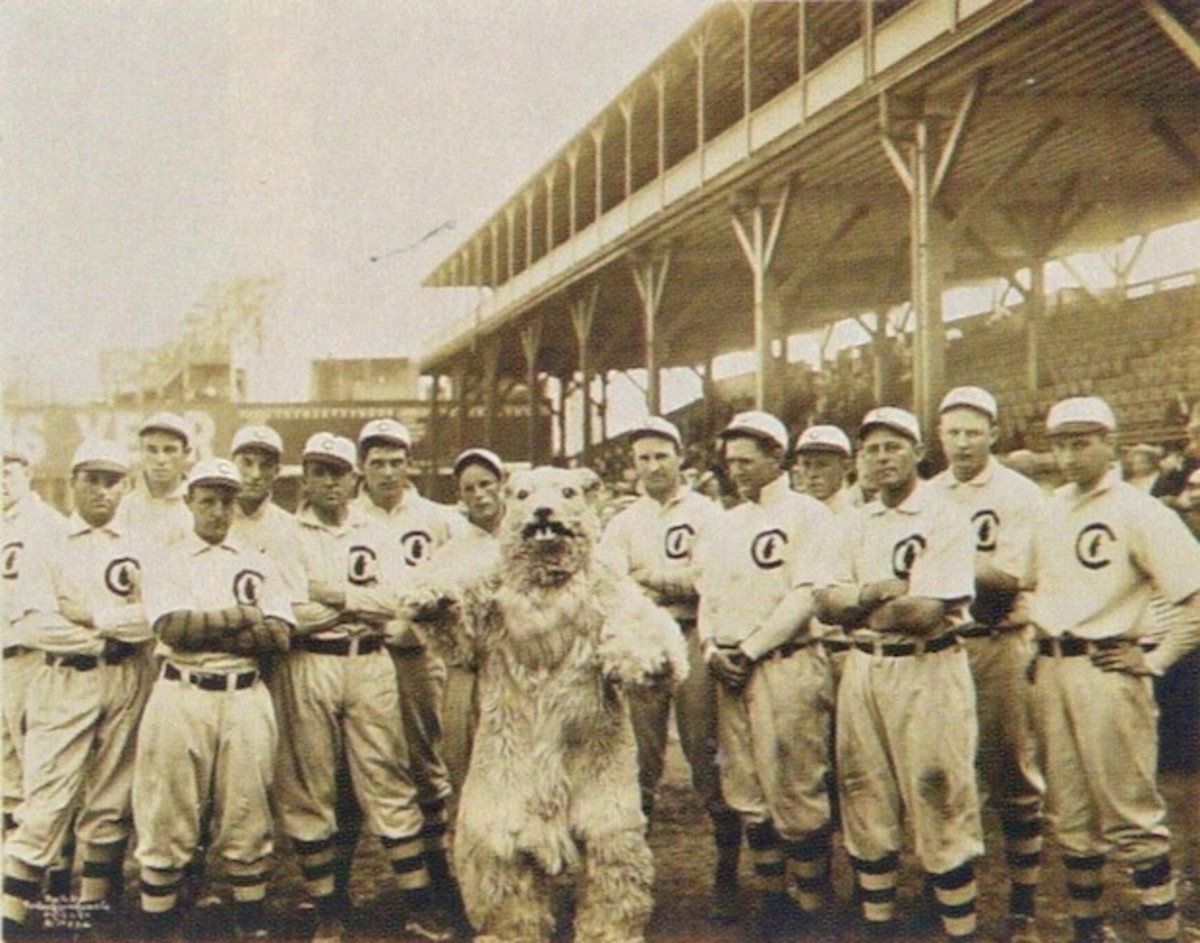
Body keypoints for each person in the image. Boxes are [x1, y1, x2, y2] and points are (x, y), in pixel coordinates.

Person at [1023, 396, 1200, 943]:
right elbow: (1031, 587)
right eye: (1060, 444)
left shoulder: (1139, 509)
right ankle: (1086, 929)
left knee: (1130, 812)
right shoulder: (1050, 509)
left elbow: (1194, 597)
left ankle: (1165, 931)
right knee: (1070, 815)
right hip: (1052, 669)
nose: (1070, 455)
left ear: (1111, 444)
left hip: (1107, 667)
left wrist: (1153, 659)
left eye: (1082, 442)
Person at [280, 433, 464, 943]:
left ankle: (420, 905)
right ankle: (329, 908)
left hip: (371, 662)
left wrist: (335, 597)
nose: (330, 482)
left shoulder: (375, 529)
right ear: (307, 478)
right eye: (319, 471)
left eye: (337, 472)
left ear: (351, 477)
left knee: (389, 777)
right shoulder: (289, 534)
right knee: (314, 784)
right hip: (311, 664)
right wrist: (358, 603)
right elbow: (291, 613)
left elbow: (398, 600)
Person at [815, 406, 983, 941]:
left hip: (928, 664)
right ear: (859, 459)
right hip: (865, 666)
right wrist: (871, 595)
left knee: (939, 791)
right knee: (864, 794)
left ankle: (960, 929)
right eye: (872, 449)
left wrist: (859, 604)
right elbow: (824, 602)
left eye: (893, 446)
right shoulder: (855, 520)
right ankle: (879, 928)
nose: (882, 457)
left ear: (917, 453)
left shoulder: (944, 515)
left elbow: (924, 612)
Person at [132, 459, 293, 940]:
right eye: (208, 499)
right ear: (189, 502)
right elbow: (171, 629)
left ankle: (251, 928)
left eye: (227, 500)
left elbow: (280, 635)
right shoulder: (167, 558)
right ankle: (158, 930)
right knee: (167, 817)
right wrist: (242, 616)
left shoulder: (257, 559)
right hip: (181, 694)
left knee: (248, 815)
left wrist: (210, 627)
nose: (219, 510)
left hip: (244, 695)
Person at [1, 441, 154, 935]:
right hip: (62, 678)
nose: (102, 490)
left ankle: (89, 920)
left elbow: (152, 617)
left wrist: (92, 617)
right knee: (44, 803)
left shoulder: (137, 544)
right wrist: (98, 638)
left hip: (124, 678)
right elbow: (33, 624)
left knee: (109, 803)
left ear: (126, 487)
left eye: (113, 481)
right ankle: (12, 925)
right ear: (73, 482)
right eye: (92, 479)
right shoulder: (47, 540)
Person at [695, 410, 837, 937]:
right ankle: (775, 899)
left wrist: (751, 648)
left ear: (776, 457)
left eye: (747, 461)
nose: (738, 472)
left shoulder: (807, 514)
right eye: (731, 463)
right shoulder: (725, 521)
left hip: (786, 662)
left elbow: (806, 595)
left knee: (797, 783)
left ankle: (812, 902)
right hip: (731, 670)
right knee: (747, 787)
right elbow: (708, 594)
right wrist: (711, 648)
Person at [597, 417, 742, 922]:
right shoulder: (623, 520)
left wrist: (651, 577)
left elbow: (709, 579)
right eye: (643, 458)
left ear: (680, 457)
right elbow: (612, 584)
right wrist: (658, 584)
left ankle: (726, 866)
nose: (653, 466)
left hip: (691, 633)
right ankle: (633, 874)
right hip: (641, 640)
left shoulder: (707, 512)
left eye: (661, 455)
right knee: (638, 760)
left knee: (705, 751)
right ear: (633, 465)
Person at [930, 387, 1047, 943]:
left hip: (999, 642)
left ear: (994, 433)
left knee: (1011, 773)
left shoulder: (1019, 493)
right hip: (945, 644)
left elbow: (1006, 583)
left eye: (972, 432)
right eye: (952, 432)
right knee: (948, 774)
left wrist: (947, 556)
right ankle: (955, 895)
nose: (961, 443)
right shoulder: (929, 493)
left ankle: (1023, 903)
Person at [353, 418, 462, 875]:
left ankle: (440, 872)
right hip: (362, 653)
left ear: (410, 464)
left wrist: (417, 631)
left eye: (396, 462)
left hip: (421, 656)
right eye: (377, 463)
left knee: (427, 756)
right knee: (361, 762)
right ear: (361, 467)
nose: (387, 472)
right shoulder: (348, 517)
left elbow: (457, 593)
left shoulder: (438, 519)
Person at [427, 448, 507, 806]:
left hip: (523, 667)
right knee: (468, 768)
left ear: (502, 483)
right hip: (473, 670)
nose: (479, 494)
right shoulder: (451, 552)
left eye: (486, 484)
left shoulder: (525, 536)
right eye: (469, 488)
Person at [115, 411, 194, 549]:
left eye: (170, 450)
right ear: (141, 451)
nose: (160, 460)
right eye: (152, 450)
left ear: (186, 453)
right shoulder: (123, 508)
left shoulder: (199, 506)